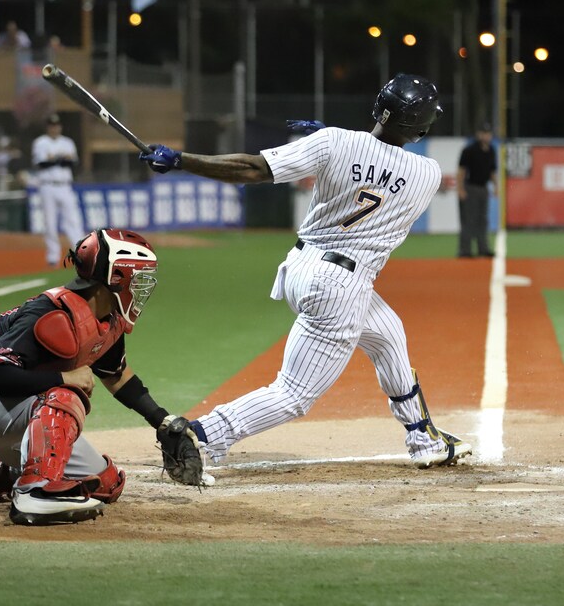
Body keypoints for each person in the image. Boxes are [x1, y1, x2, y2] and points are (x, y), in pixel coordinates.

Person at [139, 73, 472, 472]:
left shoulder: (333, 142)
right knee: (294, 393)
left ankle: (422, 438)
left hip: (301, 266)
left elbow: (251, 169)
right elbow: (372, 161)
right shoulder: (427, 174)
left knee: (388, 335)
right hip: (341, 284)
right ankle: (198, 434)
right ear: (419, 128)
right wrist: (331, 140)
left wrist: (181, 160)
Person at [0, 228, 198, 525]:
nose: (143, 286)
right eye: (139, 277)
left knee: (105, 484)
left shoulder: (106, 316)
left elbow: (116, 376)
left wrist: (163, 422)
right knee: (66, 394)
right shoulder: (52, 313)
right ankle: (34, 493)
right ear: (116, 277)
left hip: (10, 405)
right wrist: (64, 377)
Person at [32, 114, 86, 267]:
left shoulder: (67, 142)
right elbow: (41, 164)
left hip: (65, 185)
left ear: (60, 127)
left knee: (73, 220)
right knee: (50, 222)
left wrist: (54, 159)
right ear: (47, 127)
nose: (54, 128)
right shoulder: (40, 142)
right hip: (47, 185)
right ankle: (52, 256)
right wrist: (60, 159)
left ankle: (81, 253)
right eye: (51, 125)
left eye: (56, 125)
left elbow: (72, 163)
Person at [457, 122, 498, 258]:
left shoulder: (491, 150)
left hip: (483, 188)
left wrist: (496, 186)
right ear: (478, 134)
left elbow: (492, 171)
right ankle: (465, 250)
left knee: (483, 219)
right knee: (469, 220)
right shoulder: (469, 150)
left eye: (488, 133)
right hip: (471, 188)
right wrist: (461, 189)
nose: (486, 136)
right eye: (484, 133)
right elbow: (461, 171)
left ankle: (483, 248)